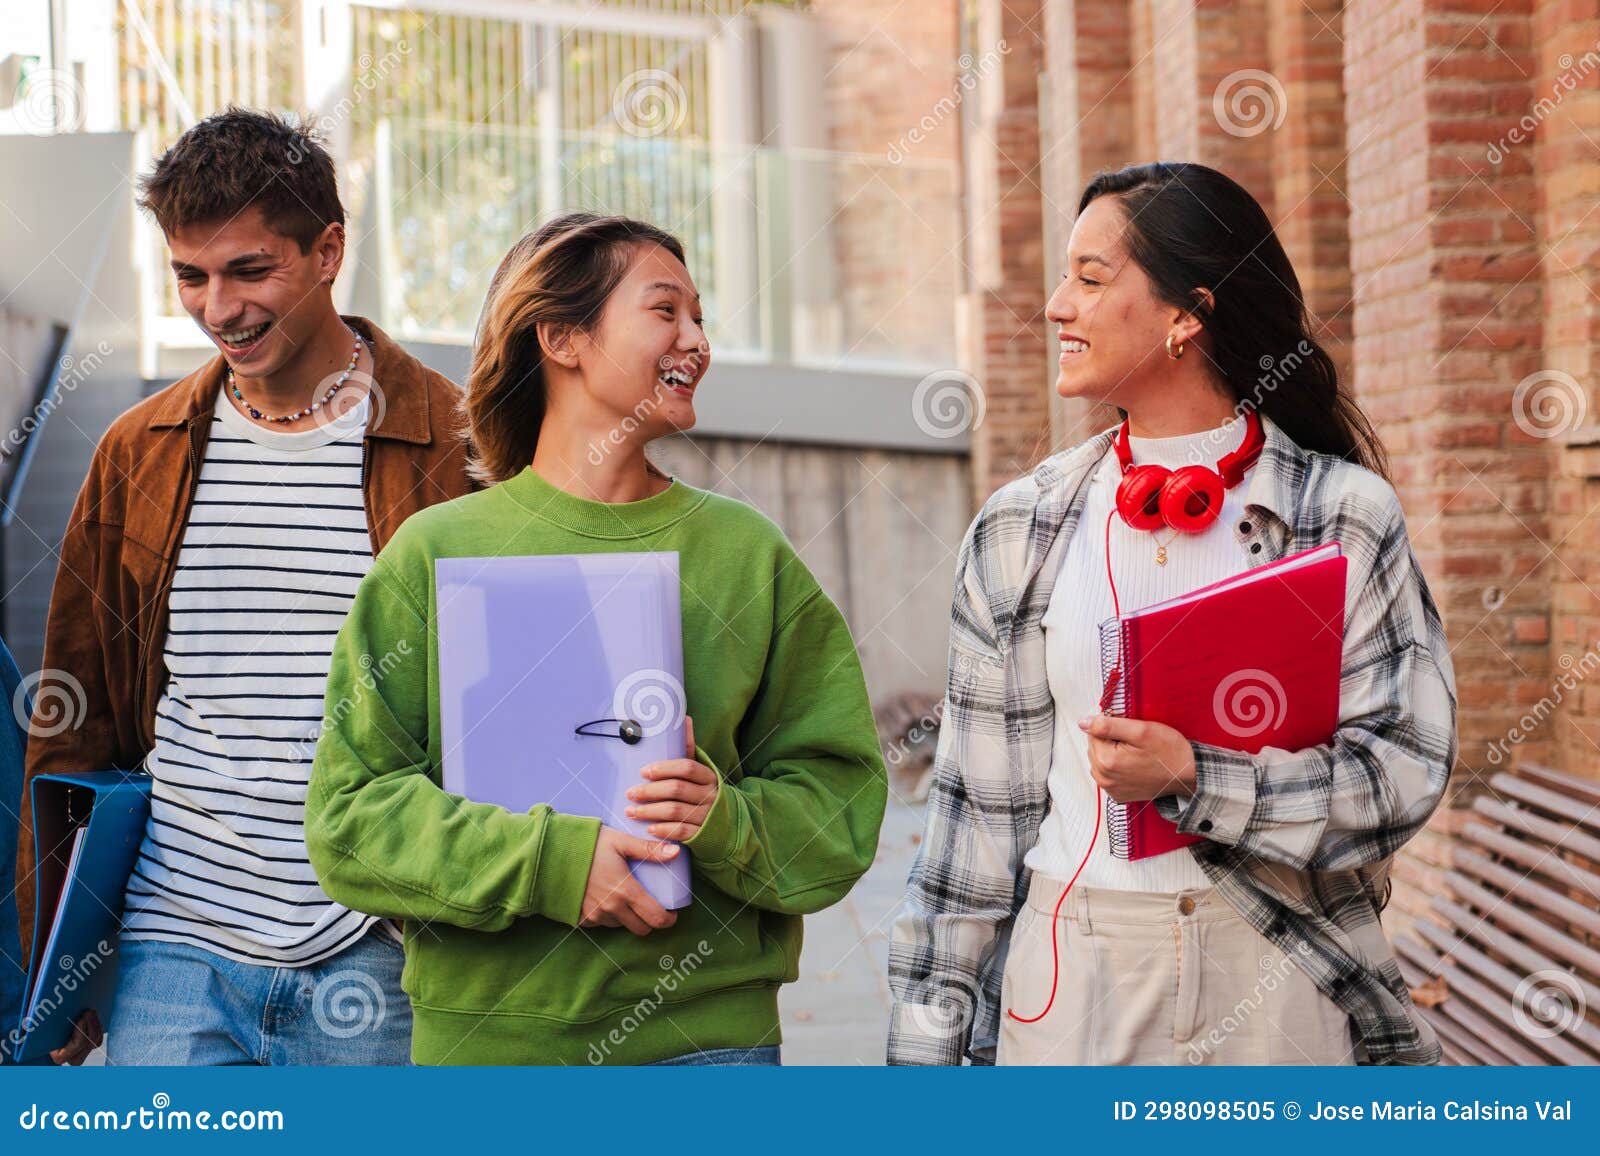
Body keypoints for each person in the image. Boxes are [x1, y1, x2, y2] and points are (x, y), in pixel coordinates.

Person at [887, 162, 1458, 1067]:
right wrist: (923, 1045)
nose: (1054, 307)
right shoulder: (1019, 529)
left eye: (1089, 277)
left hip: (1279, 972)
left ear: (1187, 313)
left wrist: (1198, 777)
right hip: (1073, 974)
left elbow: (1402, 775)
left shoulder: (1344, 516)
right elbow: (974, 823)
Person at [305, 211, 887, 1066]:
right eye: (666, 312)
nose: (696, 340)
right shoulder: (435, 554)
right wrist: (556, 863)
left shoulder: (745, 554)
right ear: (563, 338)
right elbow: (350, 818)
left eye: (700, 317)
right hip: (489, 1057)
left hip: (707, 1048)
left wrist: (721, 819)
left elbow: (840, 805)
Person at [13, 109, 474, 1065]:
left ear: (328, 251)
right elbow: (75, 716)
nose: (219, 307)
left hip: (379, 943)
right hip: (172, 939)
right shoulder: (138, 451)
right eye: (192, 275)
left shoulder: (454, 440)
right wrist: (58, 963)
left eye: (249, 270)